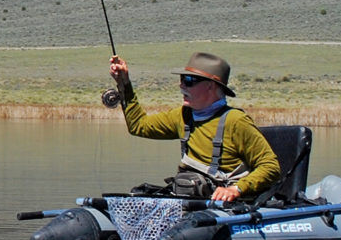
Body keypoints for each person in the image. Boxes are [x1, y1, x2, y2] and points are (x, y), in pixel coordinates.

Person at [107, 51, 280, 204]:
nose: (181, 85)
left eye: (189, 81)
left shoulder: (236, 121)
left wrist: (236, 189)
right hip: (191, 200)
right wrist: (124, 84)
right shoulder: (182, 115)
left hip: (223, 208)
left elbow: (270, 167)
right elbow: (139, 126)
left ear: (211, 86)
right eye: (182, 79)